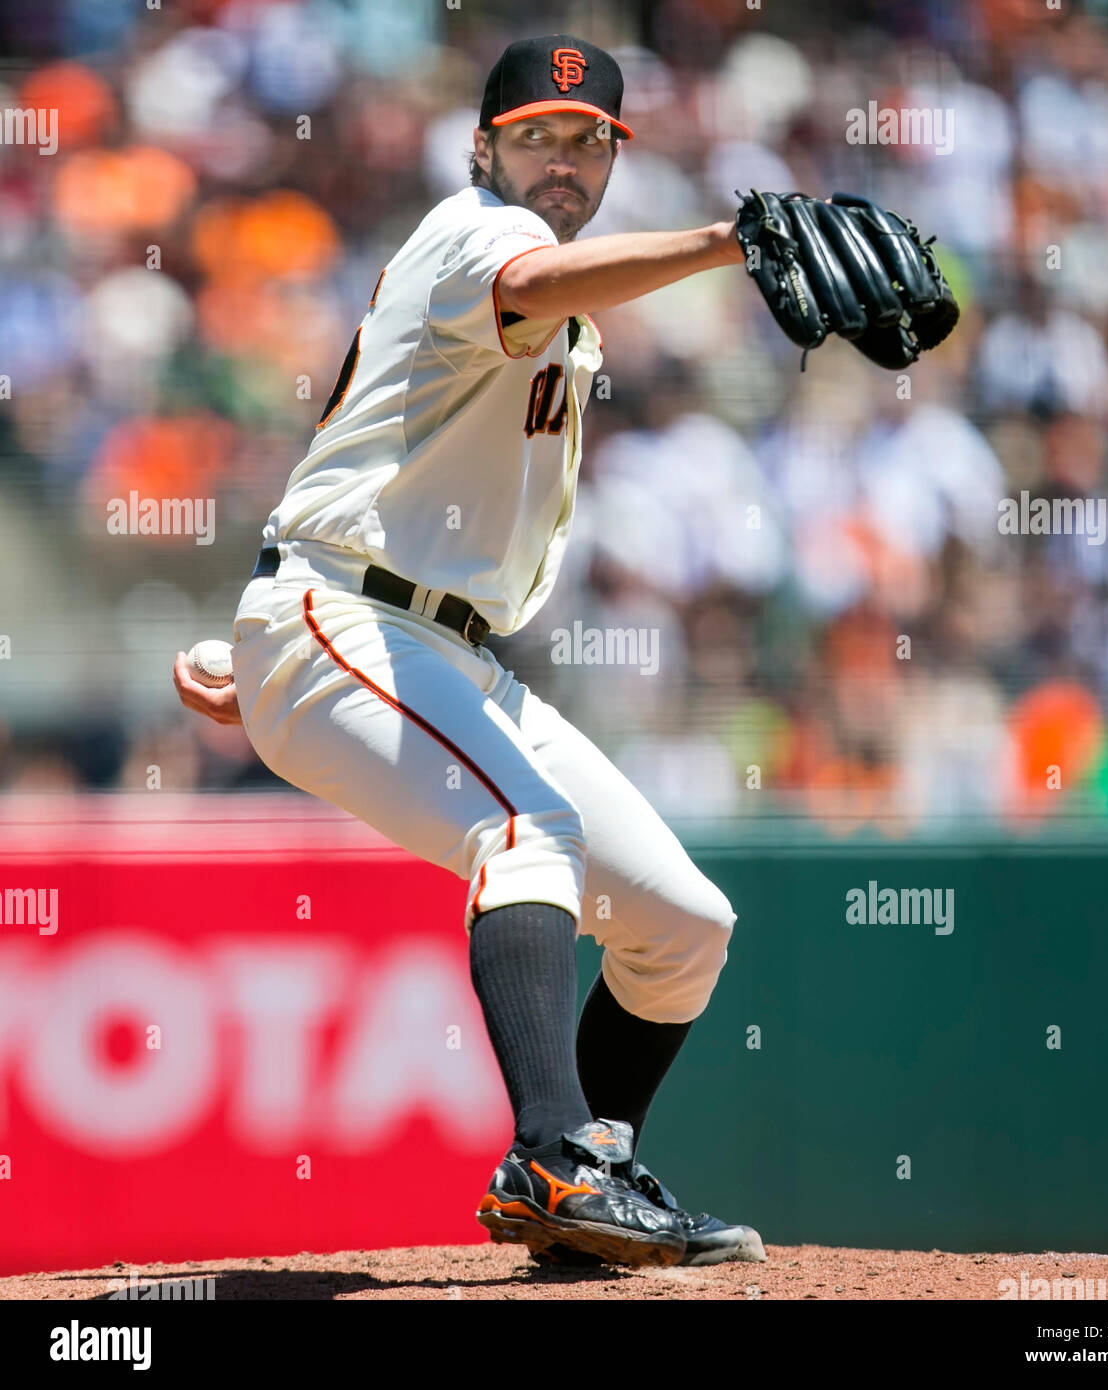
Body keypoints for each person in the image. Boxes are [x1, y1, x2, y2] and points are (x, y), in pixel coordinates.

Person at [174, 33, 763, 1269]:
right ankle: (552, 1155)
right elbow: (542, 289)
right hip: (350, 617)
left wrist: (289, 648)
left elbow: (382, 441)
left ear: (614, 156)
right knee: (527, 834)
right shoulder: (476, 234)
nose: (560, 157)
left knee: (682, 925)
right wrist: (728, 243)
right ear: (483, 147)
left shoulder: (548, 283)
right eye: (534, 134)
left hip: (407, 641)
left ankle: (580, 1188)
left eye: (587, 139)